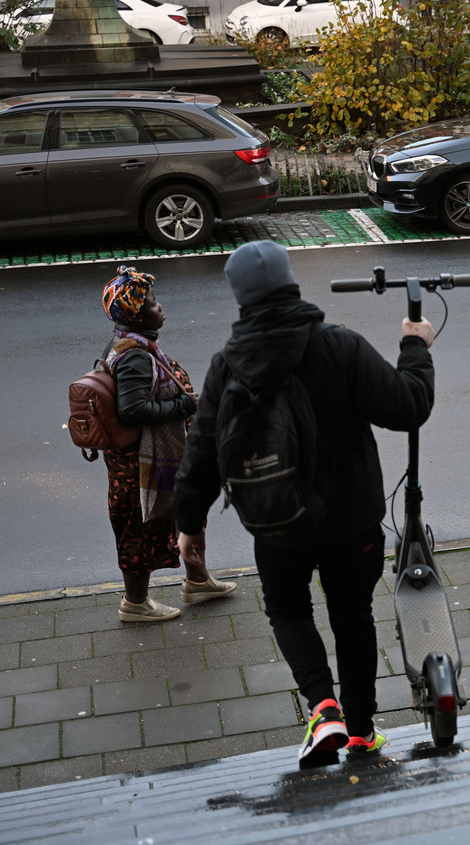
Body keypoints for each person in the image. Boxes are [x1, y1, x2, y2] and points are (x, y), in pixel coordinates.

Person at [173, 240, 435, 762]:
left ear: (239, 297)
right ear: (292, 283)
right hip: (352, 521)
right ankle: (361, 731)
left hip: (276, 523)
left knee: (289, 609)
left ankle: (324, 711)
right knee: (353, 618)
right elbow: (408, 407)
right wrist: (415, 347)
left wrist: (190, 523)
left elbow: (201, 450)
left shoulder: (227, 365)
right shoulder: (339, 346)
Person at [98, 266, 237, 624]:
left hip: (160, 455)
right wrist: (185, 405)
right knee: (140, 529)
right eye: (154, 305)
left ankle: (198, 581)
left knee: (186, 514)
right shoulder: (134, 356)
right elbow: (132, 409)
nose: (161, 309)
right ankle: (135, 604)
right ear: (136, 314)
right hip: (140, 463)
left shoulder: (132, 344)